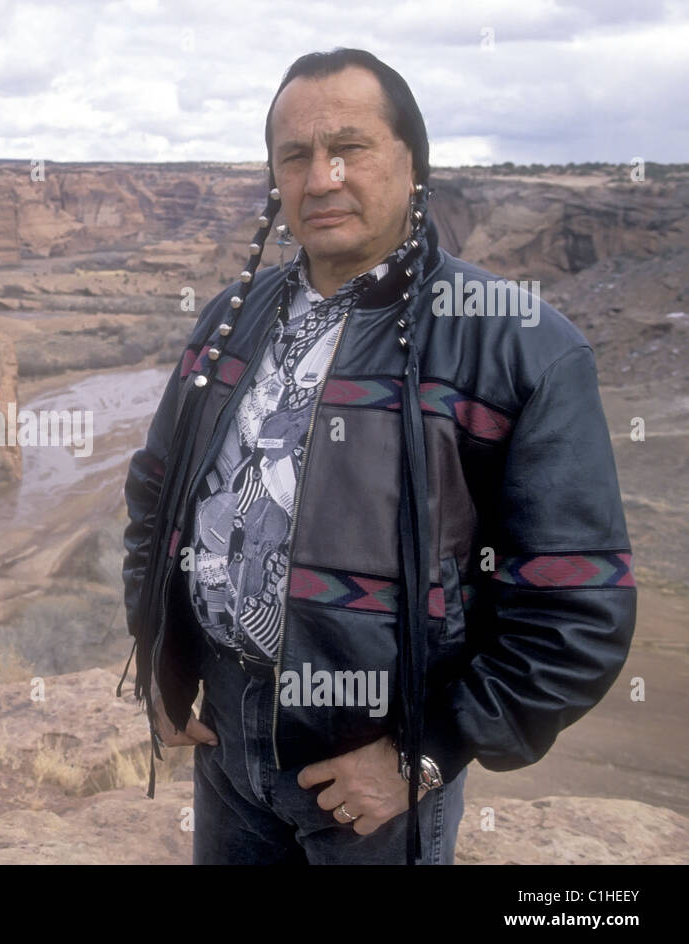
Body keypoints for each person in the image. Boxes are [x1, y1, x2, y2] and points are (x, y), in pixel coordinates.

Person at [119, 48, 637, 865]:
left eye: (349, 148)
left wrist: (425, 755)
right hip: (224, 738)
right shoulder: (233, 317)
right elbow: (156, 495)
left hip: (370, 771)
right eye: (295, 156)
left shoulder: (515, 342)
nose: (320, 178)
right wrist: (159, 652)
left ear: (412, 161)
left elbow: (578, 610)